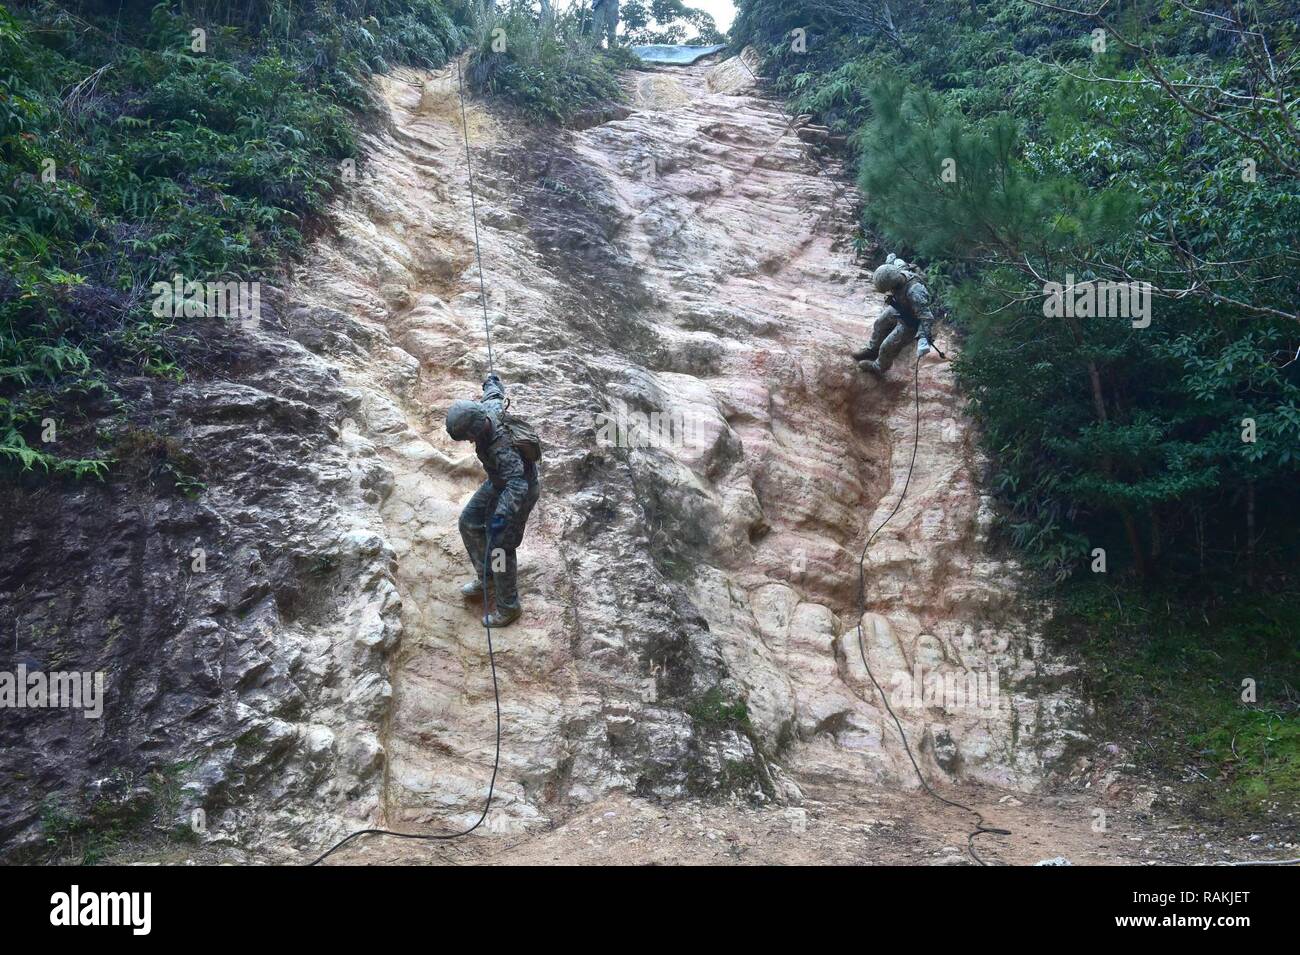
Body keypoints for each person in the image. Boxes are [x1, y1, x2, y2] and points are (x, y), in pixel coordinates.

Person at [445, 373, 541, 627]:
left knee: (500, 545)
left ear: (475, 430)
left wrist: (501, 516)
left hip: (520, 488)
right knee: (469, 521)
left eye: (468, 437)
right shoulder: (487, 410)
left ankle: (508, 606)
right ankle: (486, 577)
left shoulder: (502, 448)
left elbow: (517, 485)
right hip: (498, 481)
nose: (468, 441)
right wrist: (492, 382)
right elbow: (495, 394)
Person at [854, 254, 937, 375]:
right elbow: (895, 261)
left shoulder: (914, 291)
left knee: (886, 347)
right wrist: (890, 258)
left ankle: (878, 367)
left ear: (893, 285)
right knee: (879, 323)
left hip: (910, 320)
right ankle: (872, 349)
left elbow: (926, 317)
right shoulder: (898, 271)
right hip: (900, 307)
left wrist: (923, 339)